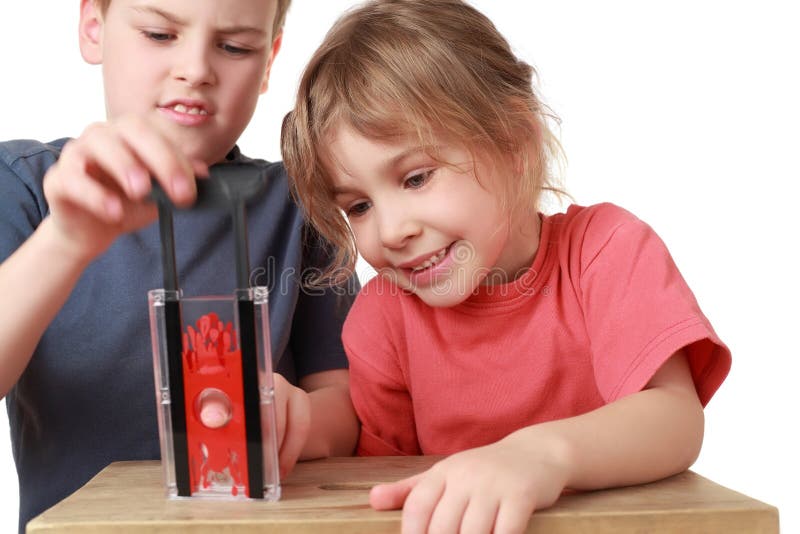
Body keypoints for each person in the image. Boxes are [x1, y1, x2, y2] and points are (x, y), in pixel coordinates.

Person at [281, 0, 732, 532]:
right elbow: (380, 482)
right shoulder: (384, 317)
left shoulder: (604, 252)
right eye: (359, 206)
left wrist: (539, 456)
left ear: (515, 142)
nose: (391, 230)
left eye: (416, 177)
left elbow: (675, 418)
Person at [0, 0, 359, 531]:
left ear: (268, 61)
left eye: (235, 46)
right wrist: (66, 240)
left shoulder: (298, 204)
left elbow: (348, 402)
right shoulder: (27, 187)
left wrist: (302, 418)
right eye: (160, 34)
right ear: (93, 27)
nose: (195, 69)